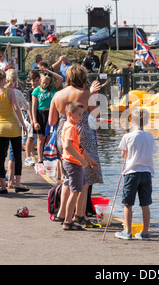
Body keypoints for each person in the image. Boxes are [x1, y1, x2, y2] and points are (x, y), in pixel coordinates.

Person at [48, 64, 104, 223]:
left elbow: (52, 121)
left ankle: (61, 213)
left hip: (62, 134)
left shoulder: (57, 95)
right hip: (82, 134)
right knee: (84, 178)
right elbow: (96, 115)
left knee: (69, 177)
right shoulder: (86, 94)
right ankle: (80, 214)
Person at [0, 68, 27, 194]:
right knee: (17, 156)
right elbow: (16, 108)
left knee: (0, 157)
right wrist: (23, 125)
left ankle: (2, 185)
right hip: (13, 127)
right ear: (3, 79)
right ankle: (17, 183)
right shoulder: (10, 91)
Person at [115, 107, 157, 240]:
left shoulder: (127, 136)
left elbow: (124, 155)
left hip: (131, 173)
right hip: (146, 173)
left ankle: (127, 231)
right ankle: (144, 232)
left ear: (131, 121)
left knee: (128, 204)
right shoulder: (150, 137)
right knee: (145, 204)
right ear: (146, 121)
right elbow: (152, 152)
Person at [61, 101, 99, 231]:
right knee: (75, 191)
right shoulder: (71, 128)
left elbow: (79, 148)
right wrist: (81, 161)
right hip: (73, 163)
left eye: (82, 115)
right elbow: (67, 146)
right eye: (79, 115)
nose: (81, 118)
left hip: (73, 162)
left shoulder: (69, 125)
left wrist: (90, 160)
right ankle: (67, 221)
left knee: (84, 185)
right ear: (70, 114)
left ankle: (78, 216)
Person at [4, 69, 30, 191]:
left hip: (4, 124)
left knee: (6, 154)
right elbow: (27, 106)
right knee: (15, 154)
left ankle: (8, 180)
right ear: (15, 80)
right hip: (16, 125)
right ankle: (14, 181)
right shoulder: (17, 92)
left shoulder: (2, 91)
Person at [31, 65, 63, 163]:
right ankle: (40, 159)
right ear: (40, 81)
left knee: (50, 137)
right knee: (40, 139)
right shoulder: (36, 91)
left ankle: (50, 157)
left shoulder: (52, 88)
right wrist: (34, 121)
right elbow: (33, 107)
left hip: (51, 113)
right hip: (41, 114)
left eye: (47, 83)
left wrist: (49, 71)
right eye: (43, 82)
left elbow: (60, 79)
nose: (45, 84)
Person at [23, 71, 40, 166]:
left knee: (39, 137)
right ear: (30, 81)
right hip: (31, 118)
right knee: (31, 137)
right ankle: (27, 156)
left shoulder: (41, 90)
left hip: (39, 116)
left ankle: (33, 149)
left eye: (37, 81)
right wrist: (32, 119)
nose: (35, 83)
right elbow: (28, 107)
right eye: (33, 81)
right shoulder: (30, 92)